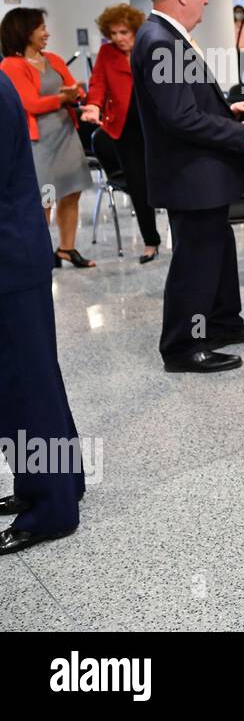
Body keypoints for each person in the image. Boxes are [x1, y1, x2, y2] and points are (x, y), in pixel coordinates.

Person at [132, 0, 244, 374]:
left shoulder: (166, 37)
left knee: (217, 250)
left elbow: (185, 106)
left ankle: (219, 323)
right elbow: (179, 119)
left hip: (200, 173)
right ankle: (183, 346)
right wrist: (242, 130)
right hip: (189, 175)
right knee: (195, 262)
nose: (206, 0)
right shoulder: (161, 41)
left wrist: (224, 110)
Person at [0, 72, 85, 554]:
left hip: (9, 257)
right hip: (15, 253)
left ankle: (52, 510)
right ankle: (54, 485)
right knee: (28, 382)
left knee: (24, 386)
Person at [0, 7, 96, 269]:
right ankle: (39, 251)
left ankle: (67, 248)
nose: (47, 33)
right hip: (39, 140)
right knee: (45, 198)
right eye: (41, 28)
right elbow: (29, 103)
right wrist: (62, 98)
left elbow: (74, 87)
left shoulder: (53, 58)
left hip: (66, 133)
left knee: (72, 192)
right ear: (24, 31)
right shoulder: (11, 65)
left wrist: (74, 94)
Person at [81, 3, 160, 264]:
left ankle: (183, 237)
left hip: (156, 125)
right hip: (124, 128)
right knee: (138, 185)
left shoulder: (150, 46)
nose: (118, 38)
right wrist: (93, 105)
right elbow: (98, 84)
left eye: (123, 32)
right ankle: (151, 242)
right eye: (113, 33)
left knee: (168, 179)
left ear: (134, 29)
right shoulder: (107, 53)